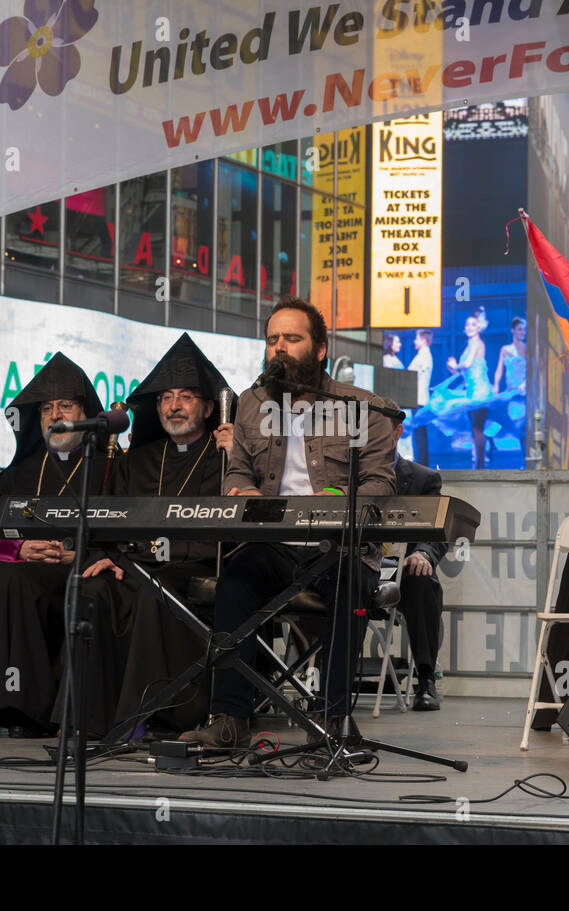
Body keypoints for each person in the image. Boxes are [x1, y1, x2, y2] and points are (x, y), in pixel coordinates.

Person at [178, 297, 396, 749]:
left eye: (291, 339)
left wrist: (335, 498)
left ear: (319, 349)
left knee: (348, 584)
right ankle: (230, 718)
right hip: (275, 542)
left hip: (337, 545)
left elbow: (380, 485)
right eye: (272, 339)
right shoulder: (252, 404)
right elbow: (237, 470)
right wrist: (247, 492)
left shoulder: (364, 408)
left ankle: (333, 718)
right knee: (237, 578)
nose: (279, 347)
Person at [0, 353, 114, 737]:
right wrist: (20, 550)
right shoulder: (21, 471)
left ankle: (23, 706)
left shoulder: (112, 466)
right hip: (26, 567)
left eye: (66, 405)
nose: (55, 415)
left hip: (76, 570)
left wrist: (80, 554)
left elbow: (124, 534)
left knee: (15, 585)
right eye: (47, 408)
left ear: (86, 411)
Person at [76, 334, 231, 738]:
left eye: (186, 396)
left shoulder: (225, 457)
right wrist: (110, 553)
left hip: (192, 569)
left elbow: (225, 533)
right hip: (134, 568)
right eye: (165, 398)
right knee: (89, 590)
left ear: (209, 407)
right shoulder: (138, 460)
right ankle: (85, 719)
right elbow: (112, 519)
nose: (174, 406)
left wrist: (148, 554)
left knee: (154, 590)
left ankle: (149, 717)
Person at [386, 411, 447, 711]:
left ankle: (426, 679)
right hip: (358, 564)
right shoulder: (345, 477)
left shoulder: (424, 479)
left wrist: (422, 552)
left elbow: (437, 533)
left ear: (397, 432)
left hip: (401, 568)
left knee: (421, 577)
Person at [446, 313, 492, 468]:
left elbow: (467, 364)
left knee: (477, 428)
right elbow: (463, 371)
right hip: (472, 391)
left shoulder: (477, 343)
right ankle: (479, 463)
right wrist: (453, 368)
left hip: (480, 391)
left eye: (473, 325)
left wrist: (456, 365)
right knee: (475, 428)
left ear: (478, 327)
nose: (469, 328)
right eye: (467, 325)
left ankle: (480, 465)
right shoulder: (470, 344)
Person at [408, 330, 434, 466]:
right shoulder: (423, 355)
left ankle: (423, 462)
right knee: (419, 432)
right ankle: (422, 461)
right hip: (418, 398)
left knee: (419, 433)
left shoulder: (424, 355)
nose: (415, 341)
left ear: (424, 341)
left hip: (419, 399)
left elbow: (413, 374)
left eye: (416, 339)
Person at [493, 317, 528, 395]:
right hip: (510, 390)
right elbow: (499, 370)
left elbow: (534, 371)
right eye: (520, 329)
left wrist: (525, 384)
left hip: (524, 390)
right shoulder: (504, 349)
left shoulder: (528, 348)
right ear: (512, 330)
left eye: (524, 330)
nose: (523, 332)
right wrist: (496, 384)